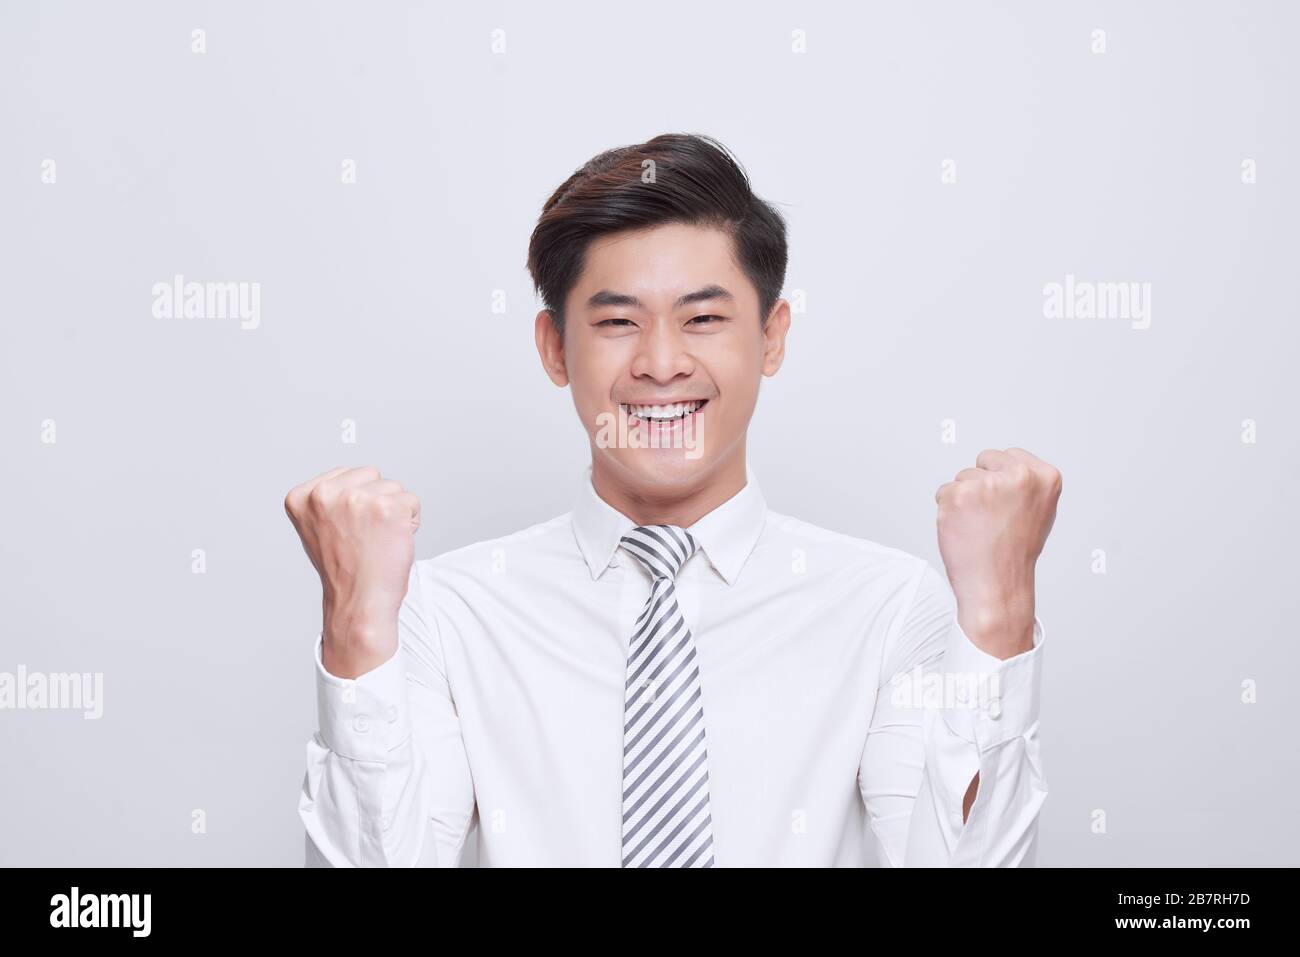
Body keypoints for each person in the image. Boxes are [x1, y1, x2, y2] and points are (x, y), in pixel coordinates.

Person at [285, 133, 1061, 867]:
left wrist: (997, 616)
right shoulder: (445, 613)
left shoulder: (887, 608)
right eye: (619, 321)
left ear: (772, 337)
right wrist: (355, 624)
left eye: (704, 318)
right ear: (555, 348)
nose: (661, 363)